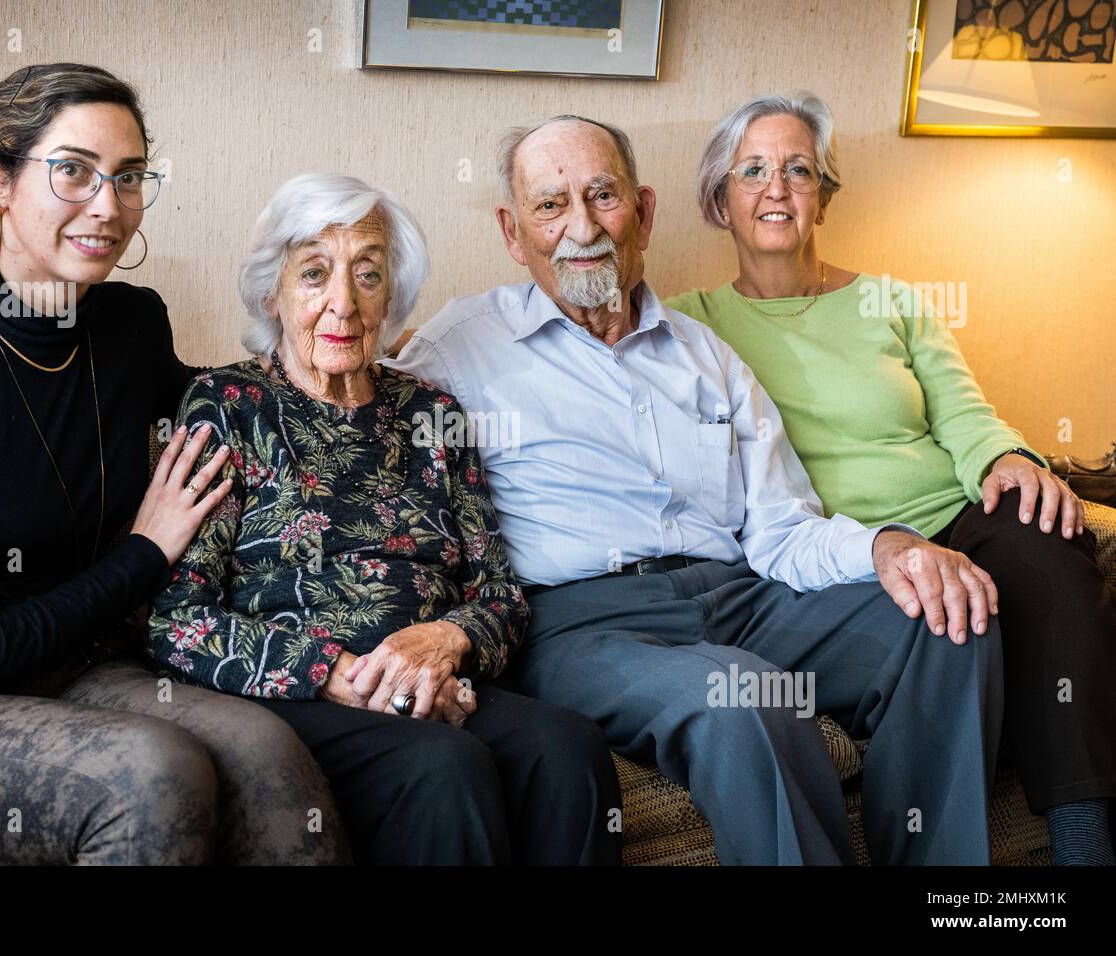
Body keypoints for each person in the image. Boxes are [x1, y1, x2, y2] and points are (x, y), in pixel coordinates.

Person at [387, 114, 1006, 865]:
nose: (582, 226)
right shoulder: (459, 347)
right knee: (743, 697)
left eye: (603, 195)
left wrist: (887, 547)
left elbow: (782, 526)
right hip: (580, 624)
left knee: (946, 619)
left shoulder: (705, 353)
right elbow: (344, 417)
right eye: (550, 205)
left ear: (642, 212)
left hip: (741, 594)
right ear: (514, 234)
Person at [0, 63, 347, 865]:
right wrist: (143, 552)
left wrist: (327, 348)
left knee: (265, 753)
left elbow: (230, 422)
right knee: (146, 773)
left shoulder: (130, 325)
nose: (109, 207)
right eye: (73, 172)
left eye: (128, 177)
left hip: (66, 661)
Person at [664, 92, 1116, 865]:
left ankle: (1082, 839)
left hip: (955, 512)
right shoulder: (686, 326)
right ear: (719, 202)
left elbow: (967, 418)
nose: (777, 187)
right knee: (944, 613)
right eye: (753, 170)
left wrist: (1009, 460)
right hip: (842, 552)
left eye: (799, 169)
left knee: (1049, 541)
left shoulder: (892, 301)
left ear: (824, 197)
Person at [146, 172, 622, 865]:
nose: (343, 302)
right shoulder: (226, 406)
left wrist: (444, 643)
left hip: (431, 678)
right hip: (300, 694)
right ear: (272, 294)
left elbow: (500, 596)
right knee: (443, 766)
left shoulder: (433, 414)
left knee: (569, 747)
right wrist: (337, 673)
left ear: (390, 294)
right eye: (315, 274)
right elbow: (177, 619)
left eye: (367, 275)